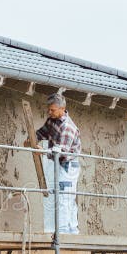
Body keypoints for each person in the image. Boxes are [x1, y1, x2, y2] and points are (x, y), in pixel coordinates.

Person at [35, 93, 81, 234]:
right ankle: (71, 230)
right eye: (48, 109)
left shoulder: (68, 127)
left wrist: (42, 151)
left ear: (62, 109)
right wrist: (32, 139)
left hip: (67, 166)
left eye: (53, 110)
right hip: (58, 165)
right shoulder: (52, 120)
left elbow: (60, 152)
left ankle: (63, 233)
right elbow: (42, 132)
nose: (49, 112)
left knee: (63, 199)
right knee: (64, 198)